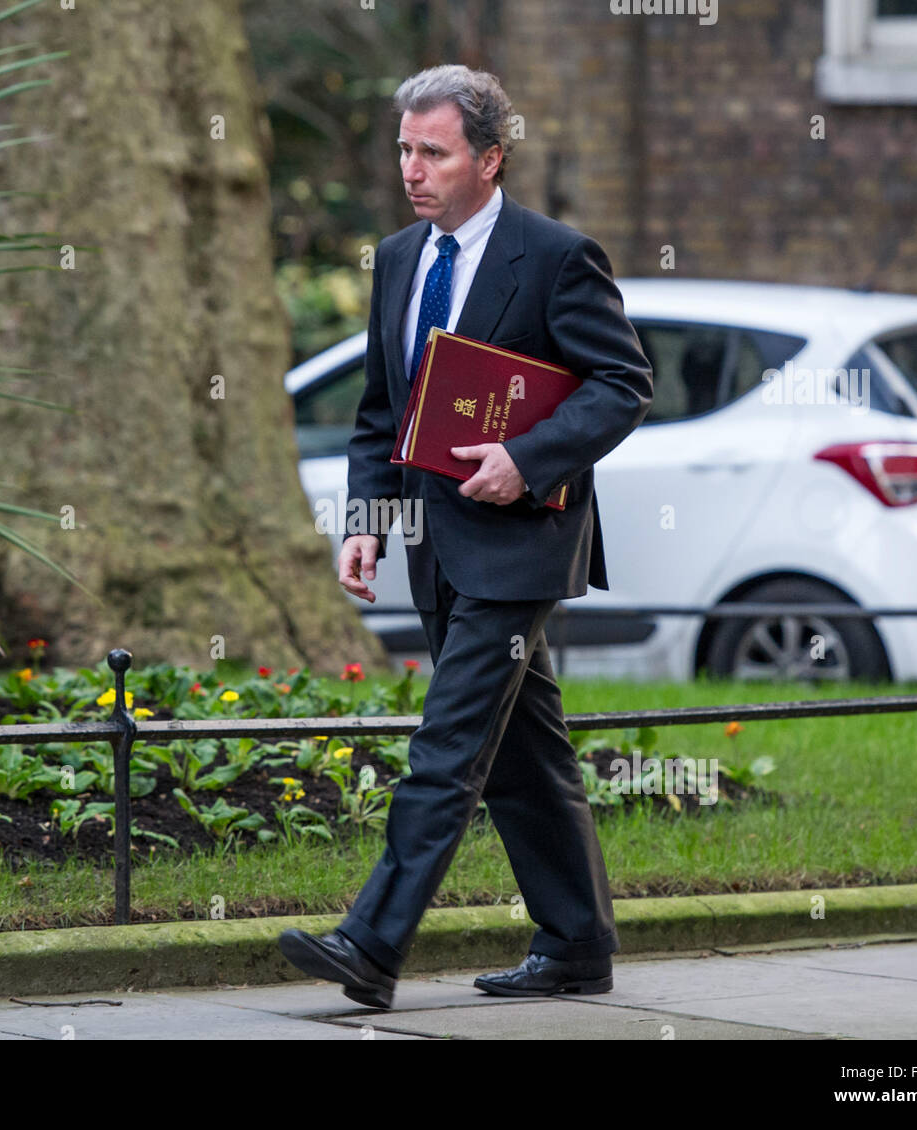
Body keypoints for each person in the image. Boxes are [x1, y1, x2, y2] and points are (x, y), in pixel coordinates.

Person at [278, 64, 654, 1010]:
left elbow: (623, 385)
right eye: (404, 149)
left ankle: (371, 943)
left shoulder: (560, 257)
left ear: (490, 158)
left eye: (433, 152)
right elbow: (380, 414)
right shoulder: (400, 258)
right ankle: (576, 945)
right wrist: (369, 522)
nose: (412, 168)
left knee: (447, 747)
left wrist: (528, 458)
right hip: (433, 548)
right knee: (526, 753)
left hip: (521, 544)